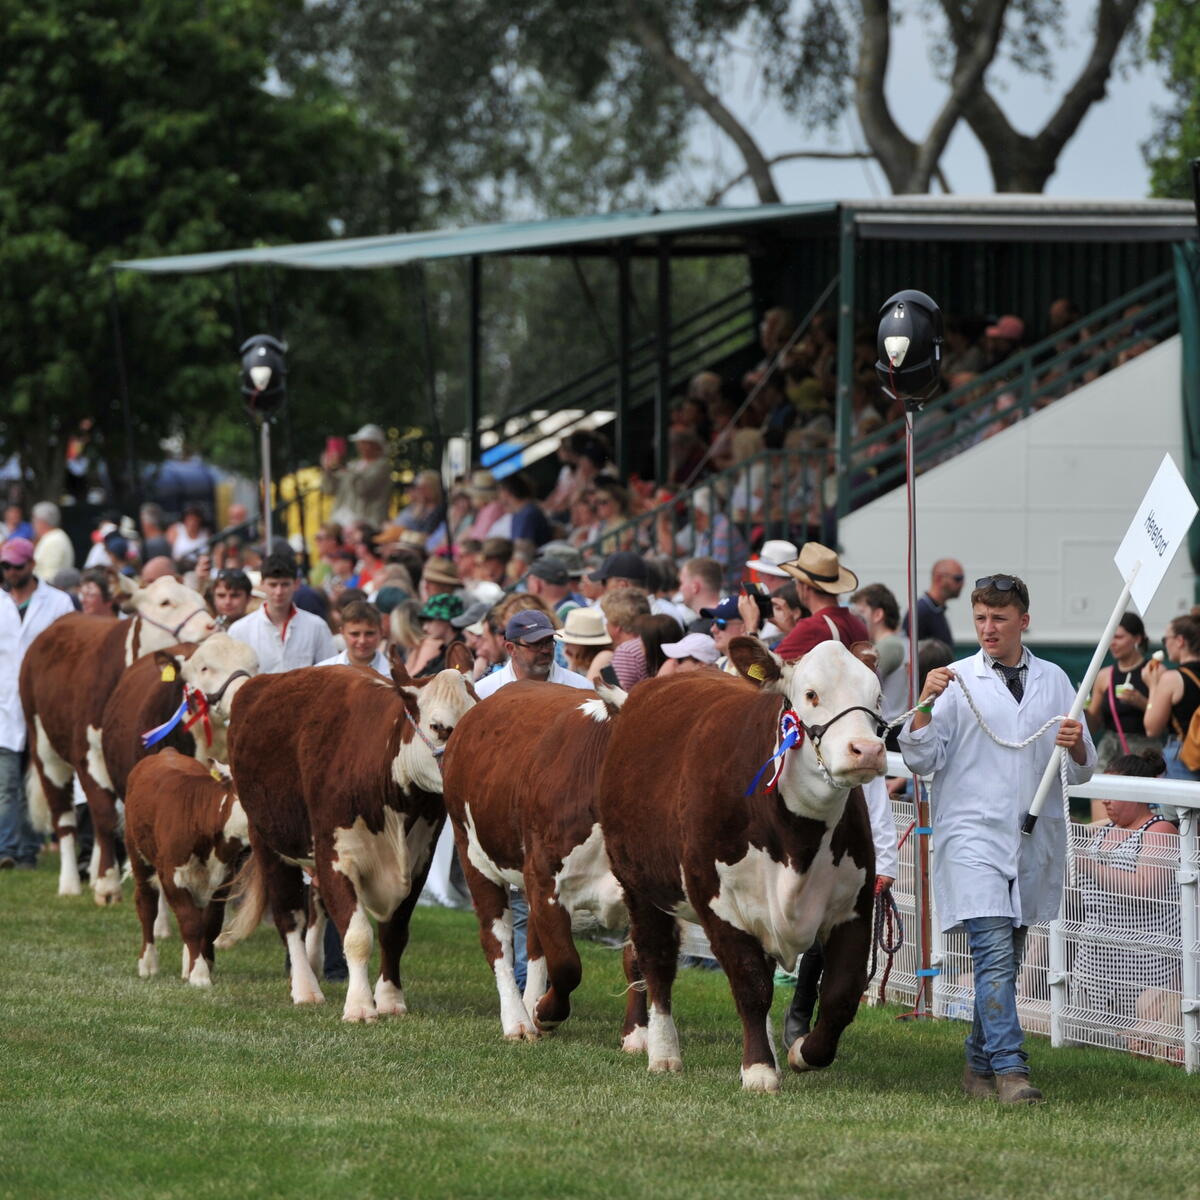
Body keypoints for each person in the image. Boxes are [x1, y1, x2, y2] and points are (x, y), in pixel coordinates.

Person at [898, 573, 1095, 1103]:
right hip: (972, 835)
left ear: (1023, 621)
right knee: (992, 953)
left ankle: (977, 1066)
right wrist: (923, 703)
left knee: (1006, 957)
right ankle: (1012, 1070)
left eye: (999, 619)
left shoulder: (1056, 680)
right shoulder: (956, 681)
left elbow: (1083, 771)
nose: (988, 628)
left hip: (1030, 837)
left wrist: (1076, 744)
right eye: (981, 618)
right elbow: (922, 758)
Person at [472, 608, 593, 992]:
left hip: (561, 808)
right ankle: (528, 982)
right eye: (535, 644)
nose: (544, 650)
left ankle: (539, 983)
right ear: (510, 648)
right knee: (515, 898)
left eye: (548, 642)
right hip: (504, 804)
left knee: (548, 896)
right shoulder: (486, 693)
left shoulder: (579, 689)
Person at [1070, 749, 1179, 1050]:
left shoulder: (1160, 829)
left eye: (1113, 792)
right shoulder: (1103, 830)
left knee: (1135, 1038)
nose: (1105, 800)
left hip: (1145, 964)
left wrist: (1089, 865)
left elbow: (1148, 888)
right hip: (1094, 963)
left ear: (1137, 793)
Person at [0, 537, 76, 870]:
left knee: (37, 781)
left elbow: (72, 651)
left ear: (31, 565)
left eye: (15, 566)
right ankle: (7, 849)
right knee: (7, 784)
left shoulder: (58, 602)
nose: (9, 571)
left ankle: (28, 852)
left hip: (45, 704)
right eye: (4, 565)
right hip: (4, 705)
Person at [228, 553, 334, 673]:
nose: (278, 592)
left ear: (296, 584)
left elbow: (330, 672)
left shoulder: (316, 626)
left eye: (285, 584)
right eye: (273, 585)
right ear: (262, 584)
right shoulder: (240, 630)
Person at [1084, 612, 1158, 781]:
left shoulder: (1154, 671)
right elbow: (1093, 726)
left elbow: (1164, 723)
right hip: (1109, 752)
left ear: (1137, 639)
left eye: (1118, 637)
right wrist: (1083, 709)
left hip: (1143, 752)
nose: (1112, 643)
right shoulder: (1105, 675)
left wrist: (1141, 702)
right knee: (1101, 794)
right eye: (1110, 637)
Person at [773, 543, 868, 662]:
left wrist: (752, 631)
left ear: (805, 587)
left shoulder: (811, 627)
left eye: (796, 582)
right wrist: (792, 632)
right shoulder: (857, 624)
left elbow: (765, 670)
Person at [1141, 613, 1200, 781]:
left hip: (1183, 755)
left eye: (1165, 639)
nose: (1165, 644)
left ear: (1180, 641)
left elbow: (1152, 728)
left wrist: (1153, 686)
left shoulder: (1172, 678)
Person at [852, 583, 908, 726]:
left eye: (861, 613)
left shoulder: (889, 645)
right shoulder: (897, 642)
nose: (856, 619)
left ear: (878, 615)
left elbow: (860, 684)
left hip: (887, 728)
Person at [320, 423, 393, 528]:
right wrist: (327, 470)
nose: (361, 446)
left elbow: (363, 489)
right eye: (360, 443)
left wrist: (343, 467)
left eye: (365, 443)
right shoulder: (353, 466)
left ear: (377, 445)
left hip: (367, 523)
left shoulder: (382, 466)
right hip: (343, 521)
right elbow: (329, 489)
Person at [316, 600, 390, 675]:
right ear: (342, 633)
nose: (362, 641)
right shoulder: (322, 672)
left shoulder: (393, 675)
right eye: (355, 634)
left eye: (369, 633)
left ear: (381, 632)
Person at [902, 558, 963, 647]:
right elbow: (908, 650)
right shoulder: (920, 611)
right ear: (939, 578)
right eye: (958, 578)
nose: (962, 584)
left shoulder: (936, 609)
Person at [407, 593, 466, 678]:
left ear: (446, 619)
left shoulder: (461, 651)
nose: (424, 627)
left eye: (430, 620)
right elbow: (418, 678)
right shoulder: (444, 651)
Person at [553, 607, 612, 684]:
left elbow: (587, 688)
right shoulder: (582, 661)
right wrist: (572, 664)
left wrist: (572, 665)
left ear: (581, 644)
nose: (565, 646)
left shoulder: (605, 656)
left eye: (568, 642)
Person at [31, 502, 75, 577]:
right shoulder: (52, 537)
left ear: (41, 522)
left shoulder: (54, 540)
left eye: (34, 520)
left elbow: (50, 575)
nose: (33, 524)